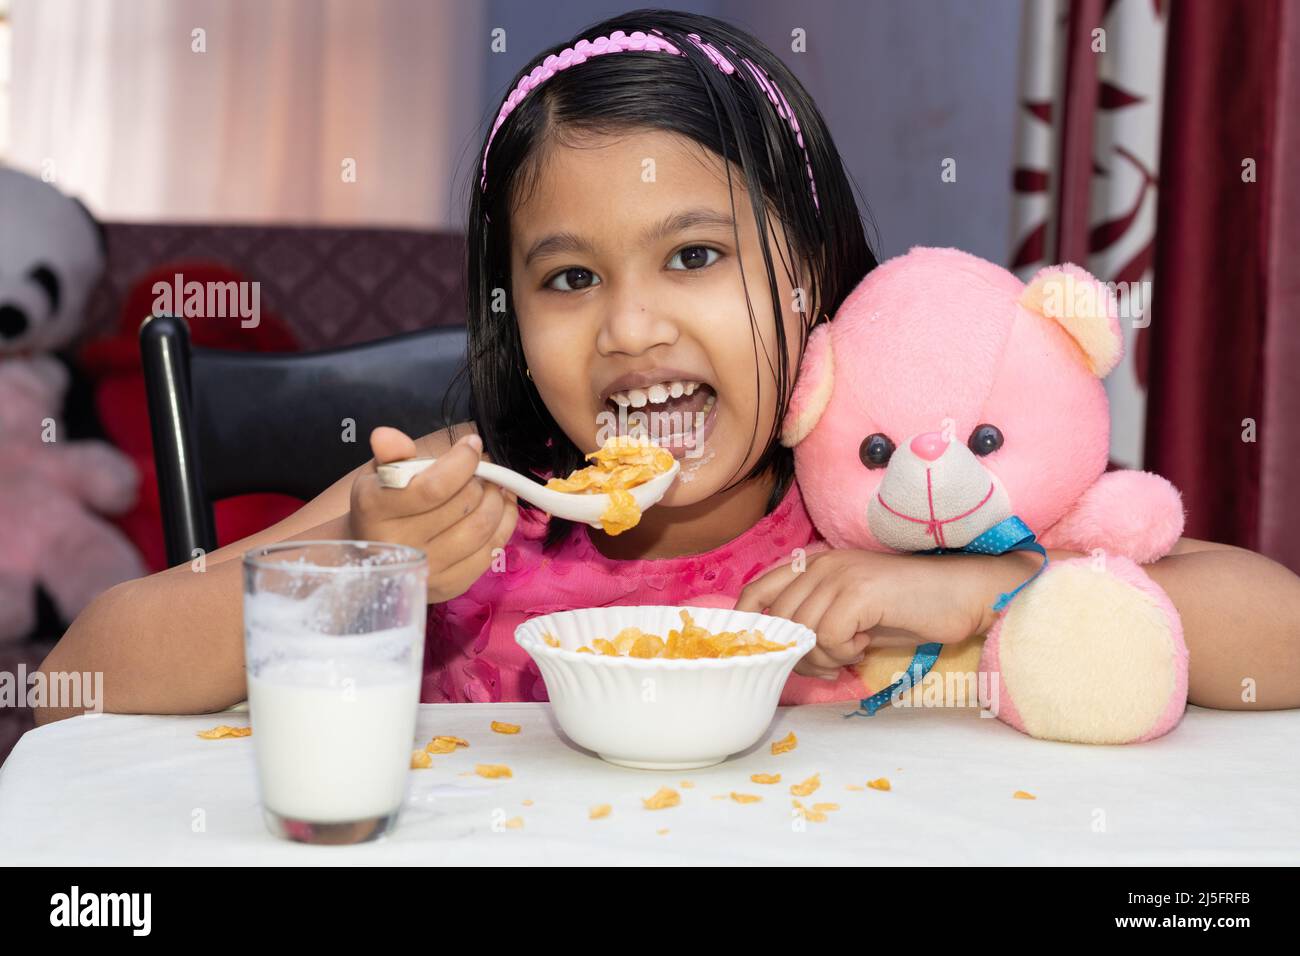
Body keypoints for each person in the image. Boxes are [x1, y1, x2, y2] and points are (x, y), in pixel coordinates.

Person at [37, 9, 1300, 724]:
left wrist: (984, 593)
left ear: (812, 276)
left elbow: (1277, 641)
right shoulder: (460, 506)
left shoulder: (899, 490)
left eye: (693, 255)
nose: (630, 329)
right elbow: (73, 685)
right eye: (569, 278)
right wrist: (357, 566)